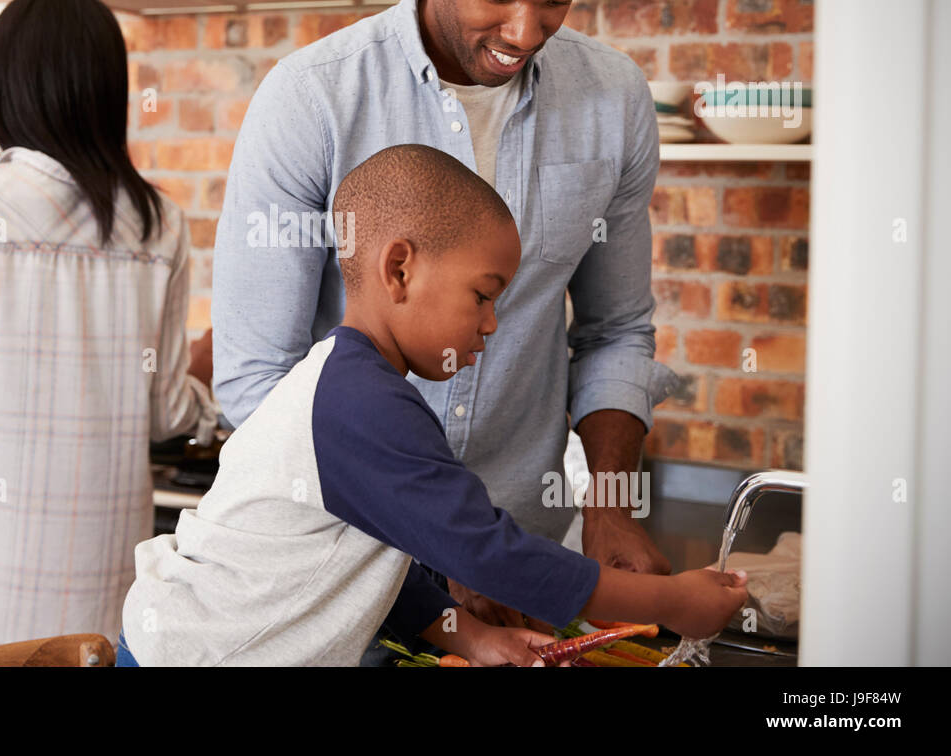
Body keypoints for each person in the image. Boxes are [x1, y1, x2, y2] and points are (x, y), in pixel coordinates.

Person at [211, 0, 680, 646]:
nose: (527, 31)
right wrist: (432, 548)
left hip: (525, 564)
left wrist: (608, 507)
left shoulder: (615, 101)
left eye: (558, 0)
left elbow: (615, 332)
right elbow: (261, 385)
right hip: (346, 584)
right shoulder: (311, 102)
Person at [119, 146, 747, 666]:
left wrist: (475, 636)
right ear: (400, 270)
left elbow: (360, 571)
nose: (492, 323)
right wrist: (670, 602)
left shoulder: (355, 387)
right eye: (482, 294)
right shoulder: (361, 406)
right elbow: (490, 554)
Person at [0, 0, 218, 657]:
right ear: (106, 91)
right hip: (108, 585)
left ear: (4, 88)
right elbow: (166, 415)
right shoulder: (161, 223)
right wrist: (210, 373)